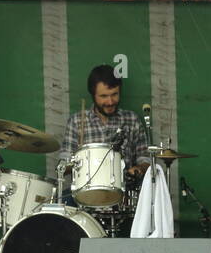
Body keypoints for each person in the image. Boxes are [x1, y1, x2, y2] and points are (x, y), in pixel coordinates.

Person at [58, 65, 151, 199]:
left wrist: (139, 169)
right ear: (93, 95)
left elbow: (145, 158)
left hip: (124, 193)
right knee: (62, 203)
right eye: (103, 96)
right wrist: (69, 164)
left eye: (114, 94)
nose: (110, 101)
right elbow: (65, 160)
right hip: (85, 192)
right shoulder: (77, 121)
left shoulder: (131, 119)